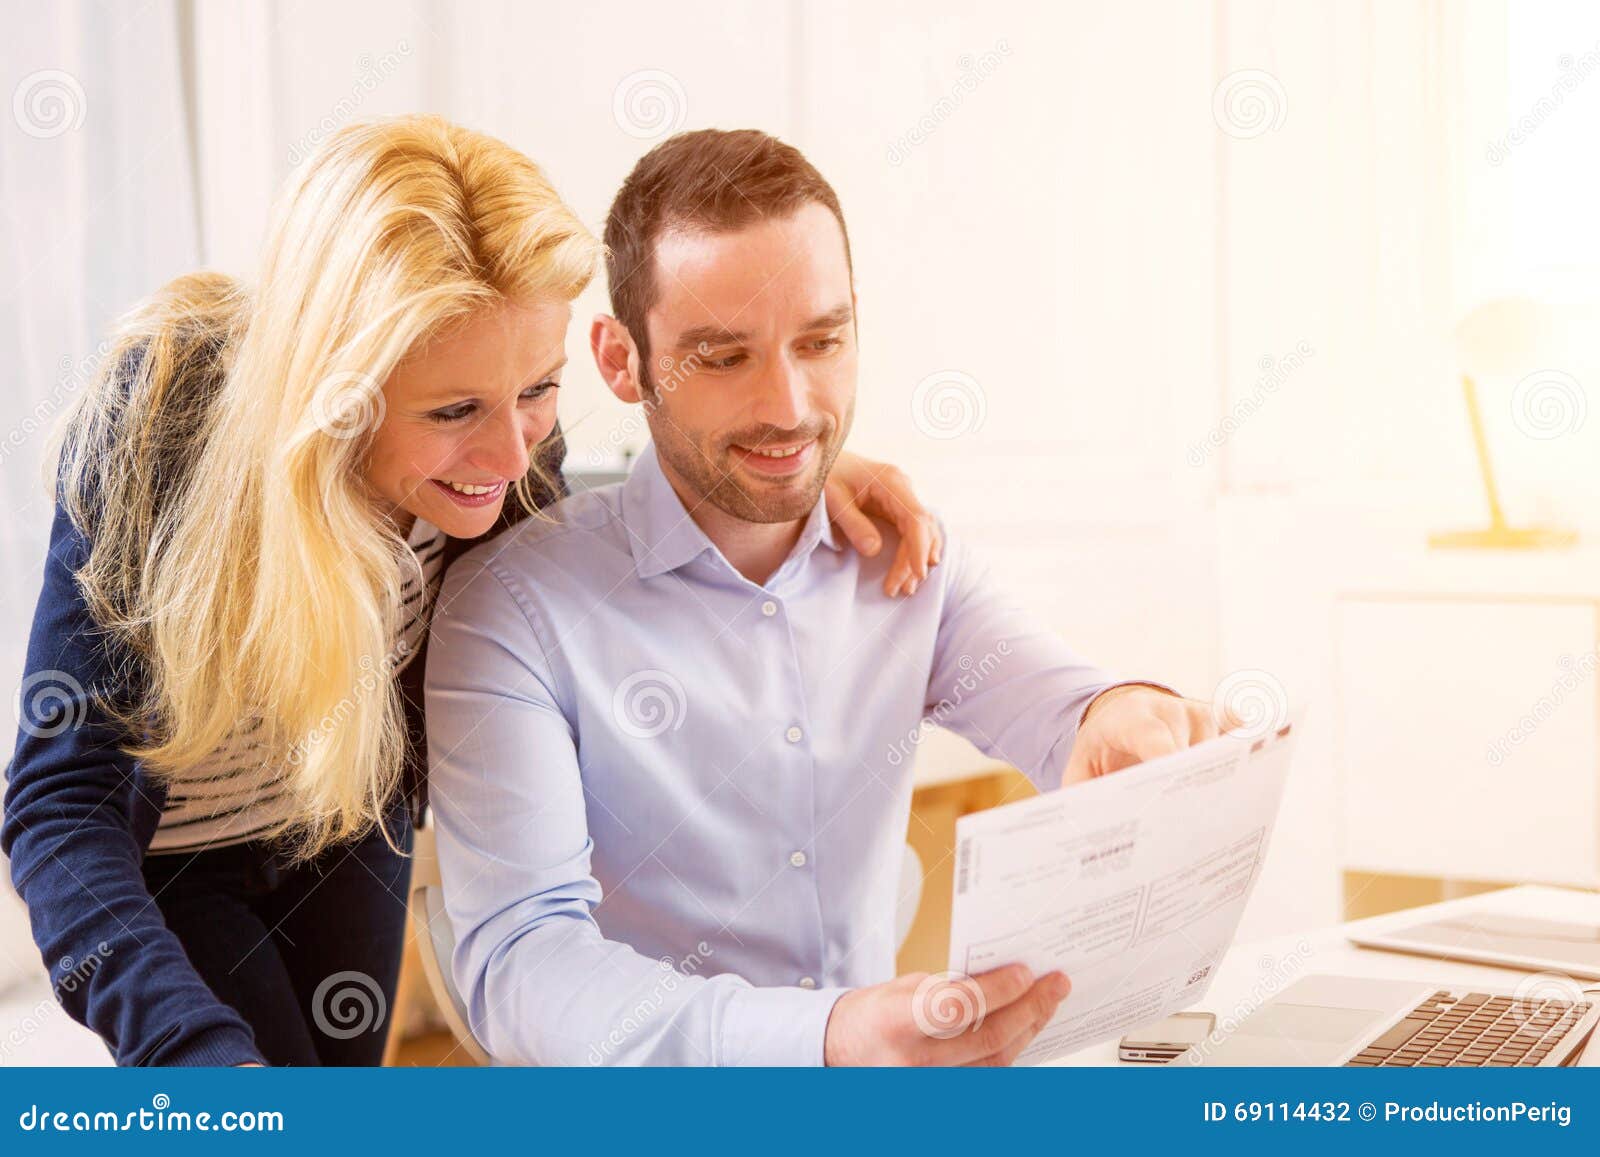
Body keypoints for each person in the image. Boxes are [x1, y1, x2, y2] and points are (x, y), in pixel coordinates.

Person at [1, 116, 939, 1067]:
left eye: (539, 390)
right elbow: (58, 806)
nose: (513, 457)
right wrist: (191, 1049)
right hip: (172, 859)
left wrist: (784, 470)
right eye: (454, 411)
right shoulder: (162, 421)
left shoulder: (507, 432)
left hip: (341, 814)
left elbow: (595, 542)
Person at [425, 128, 1225, 1067]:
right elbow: (525, 968)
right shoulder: (513, 610)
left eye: (821, 341)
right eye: (724, 357)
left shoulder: (902, 554)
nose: (791, 406)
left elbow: (1065, 712)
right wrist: (827, 1040)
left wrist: (1116, 711)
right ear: (621, 360)